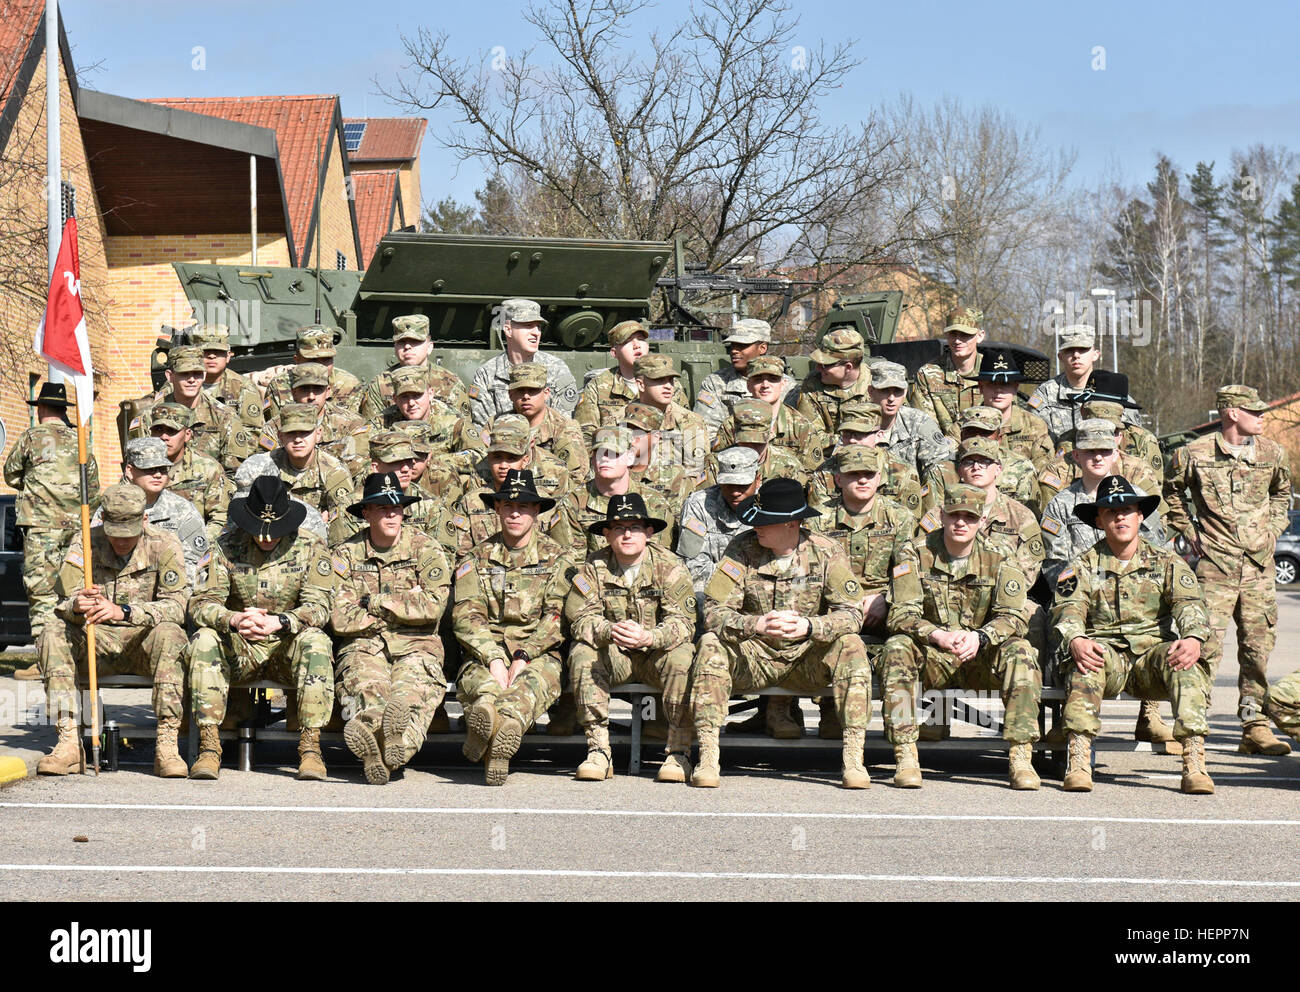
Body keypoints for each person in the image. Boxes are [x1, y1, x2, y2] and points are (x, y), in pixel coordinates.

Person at [690, 478, 873, 789]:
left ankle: (854, 757)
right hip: (754, 659)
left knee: (852, 645)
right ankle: (708, 755)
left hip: (806, 660)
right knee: (709, 644)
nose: (756, 527)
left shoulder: (827, 552)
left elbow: (852, 614)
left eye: (764, 522)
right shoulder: (741, 549)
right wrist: (755, 625)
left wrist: (812, 626)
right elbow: (713, 611)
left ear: (791, 523)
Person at [1052, 475, 1216, 794]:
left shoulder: (1167, 562)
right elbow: (1067, 608)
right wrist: (1076, 638)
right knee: (1086, 661)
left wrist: (1194, 638)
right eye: (1111, 512)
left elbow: (1190, 604)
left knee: (1186, 663)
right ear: (1099, 520)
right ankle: (1079, 761)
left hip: (1151, 660)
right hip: (1108, 657)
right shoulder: (1081, 565)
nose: (1120, 517)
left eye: (1127, 510)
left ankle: (1194, 762)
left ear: (1140, 516)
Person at [881, 483, 1041, 790]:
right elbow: (901, 613)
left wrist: (981, 637)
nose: (960, 522)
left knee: (1021, 652)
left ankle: (1021, 755)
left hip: (981, 656)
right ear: (941, 515)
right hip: (934, 656)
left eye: (969, 517)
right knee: (896, 648)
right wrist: (936, 635)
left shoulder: (1002, 556)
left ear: (982, 521)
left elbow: (1015, 616)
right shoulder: (914, 553)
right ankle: (905, 754)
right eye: (954, 515)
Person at [1163, 384, 1293, 756]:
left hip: (1257, 567)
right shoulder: (1194, 453)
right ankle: (1192, 726)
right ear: (1232, 412)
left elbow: (1282, 493)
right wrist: (1189, 532)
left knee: (1257, 649)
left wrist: (1273, 530)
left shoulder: (1272, 453)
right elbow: (1170, 493)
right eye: (1255, 411)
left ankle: (1254, 726)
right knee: (1203, 649)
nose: (1262, 417)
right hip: (1214, 567)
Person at [186, 477, 336, 781]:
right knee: (203, 639)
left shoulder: (309, 546)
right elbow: (201, 604)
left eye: (274, 532)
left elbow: (319, 607)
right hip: (241, 647)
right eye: (259, 531)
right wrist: (233, 619)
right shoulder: (225, 545)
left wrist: (281, 621)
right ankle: (209, 746)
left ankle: (311, 749)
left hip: (286, 647)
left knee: (317, 641)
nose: (266, 538)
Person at [35, 484, 190, 777]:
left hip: (143, 642)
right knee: (53, 631)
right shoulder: (85, 541)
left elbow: (178, 606)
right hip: (97, 640)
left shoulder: (165, 543)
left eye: (129, 533)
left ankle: (167, 745)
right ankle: (68, 741)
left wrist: (126, 612)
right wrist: (76, 605)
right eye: (114, 533)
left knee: (173, 635)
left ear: (144, 520)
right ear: (102, 519)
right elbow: (61, 602)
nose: (121, 542)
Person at [450, 470, 574, 785]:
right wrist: (493, 657)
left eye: (523, 506)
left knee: (530, 685)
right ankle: (498, 734)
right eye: (507, 505)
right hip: (484, 652)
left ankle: (493, 738)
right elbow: (467, 613)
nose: (515, 512)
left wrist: (523, 654)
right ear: (498, 509)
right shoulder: (476, 558)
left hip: (538, 653)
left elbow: (557, 615)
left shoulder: (557, 559)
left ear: (536, 511)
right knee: (482, 685)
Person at [564, 493, 696, 782]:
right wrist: (608, 631)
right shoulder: (593, 567)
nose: (627, 534)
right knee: (583, 652)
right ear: (607, 534)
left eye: (634, 527)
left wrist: (651, 637)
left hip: (655, 655)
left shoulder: (669, 566)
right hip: (616, 657)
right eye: (619, 528)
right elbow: (579, 619)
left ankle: (679, 753)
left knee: (682, 655)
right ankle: (598, 750)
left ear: (648, 533)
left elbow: (685, 622)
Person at [331, 473, 452, 784]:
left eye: (396, 508)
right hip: (364, 645)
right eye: (382, 508)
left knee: (409, 696)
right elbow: (339, 618)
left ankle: (390, 749)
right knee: (367, 691)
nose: (390, 514)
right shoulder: (346, 554)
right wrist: (403, 607)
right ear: (366, 513)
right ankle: (378, 743)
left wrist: (373, 602)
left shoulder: (426, 549)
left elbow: (433, 606)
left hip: (417, 646)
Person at [805, 444, 915, 739]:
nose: (862, 480)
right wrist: (847, 605)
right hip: (835, 607)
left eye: (869, 474)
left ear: (880, 477)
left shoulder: (900, 517)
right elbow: (811, 573)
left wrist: (886, 600)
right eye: (854, 475)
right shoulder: (817, 519)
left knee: (902, 648)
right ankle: (832, 709)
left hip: (884, 609)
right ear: (838, 479)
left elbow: (908, 569)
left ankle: (905, 736)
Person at [3, 382, 101, 669]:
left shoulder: (31, 437)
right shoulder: (82, 440)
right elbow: (92, 490)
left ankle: (46, 660)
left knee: (42, 592)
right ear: (62, 410)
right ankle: (73, 655)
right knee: (74, 591)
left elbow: (11, 474)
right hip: (76, 530)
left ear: (42, 408)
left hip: (41, 529)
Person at [234, 403, 356, 545]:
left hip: (310, 546)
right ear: (280, 436)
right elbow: (240, 518)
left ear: (318, 434)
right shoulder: (257, 467)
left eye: (305, 433)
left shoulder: (335, 473)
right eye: (291, 433)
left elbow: (342, 532)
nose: (298, 439)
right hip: (262, 542)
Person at [128, 346, 255, 475]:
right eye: (184, 374)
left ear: (204, 374)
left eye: (197, 373)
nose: (192, 380)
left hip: (210, 490)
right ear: (170, 376)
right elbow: (136, 472)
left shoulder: (225, 417)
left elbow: (233, 474)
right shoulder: (148, 418)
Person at [559, 426, 674, 560]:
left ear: (630, 457)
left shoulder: (654, 502)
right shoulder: (573, 503)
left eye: (614, 453)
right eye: (599, 453)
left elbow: (663, 558)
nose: (605, 459)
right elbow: (572, 563)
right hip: (593, 576)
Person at [110, 439, 210, 587]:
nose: (157, 475)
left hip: (169, 597)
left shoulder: (182, 510)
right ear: (130, 470)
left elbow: (197, 566)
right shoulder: (112, 508)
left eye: (163, 469)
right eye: (149, 469)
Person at [573, 320, 685, 446]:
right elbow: (586, 436)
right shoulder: (598, 386)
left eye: (641, 339)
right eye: (627, 341)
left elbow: (686, 423)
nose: (637, 345)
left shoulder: (670, 384)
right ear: (614, 352)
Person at [468, 299, 579, 424]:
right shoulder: (487, 374)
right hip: (502, 441)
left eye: (538, 327)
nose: (536, 332)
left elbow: (564, 423)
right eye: (528, 326)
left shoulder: (556, 368)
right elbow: (482, 427)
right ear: (508, 330)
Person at [712, 356, 830, 473]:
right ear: (748, 385)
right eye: (758, 379)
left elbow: (812, 475)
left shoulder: (801, 427)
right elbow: (717, 467)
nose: (765, 385)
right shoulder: (731, 426)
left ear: (783, 384)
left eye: (773, 379)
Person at [1028, 325, 1141, 445]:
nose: (1076, 355)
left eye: (1082, 349)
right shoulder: (1046, 394)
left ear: (1096, 354)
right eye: (1069, 350)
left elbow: (1133, 439)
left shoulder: (1114, 392)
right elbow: (1037, 442)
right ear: (1060, 357)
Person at [260, 362, 370, 482]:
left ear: (328, 391)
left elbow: (360, 467)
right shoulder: (275, 427)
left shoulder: (352, 423)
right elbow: (265, 466)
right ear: (293, 392)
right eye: (304, 389)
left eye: (318, 389)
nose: (311, 397)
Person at [807, 399, 922, 513]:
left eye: (859, 434)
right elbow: (819, 520)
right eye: (847, 434)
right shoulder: (825, 473)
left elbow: (909, 522)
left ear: (879, 435)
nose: (852, 440)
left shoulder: (904, 473)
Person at [692, 317, 795, 442]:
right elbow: (706, 434)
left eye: (742, 346)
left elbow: (796, 431)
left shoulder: (787, 386)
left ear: (762, 348)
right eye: (733, 346)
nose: (734, 351)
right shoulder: (716, 383)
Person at [920, 406, 1037, 514]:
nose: (977, 439)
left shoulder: (1021, 467)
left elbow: (1024, 517)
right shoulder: (941, 470)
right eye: (971, 432)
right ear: (961, 436)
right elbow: (933, 515)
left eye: (985, 433)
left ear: (999, 439)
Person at [677, 447, 759, 597]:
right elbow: (694, 566)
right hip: (714, 592)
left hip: (761, 592)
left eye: (742, 485)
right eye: (728, 484)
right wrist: (738, 587)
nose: (735, 492)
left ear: (757, 479)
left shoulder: (772, 506)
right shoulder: (699, 505)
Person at [358, 314, 471, 421]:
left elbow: (461, 428)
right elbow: (372, 429)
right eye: (401, 342)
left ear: (429, 347)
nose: (407, 346)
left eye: (415, 341)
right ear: (395, 347)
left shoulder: (450, 384)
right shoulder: (380, 385)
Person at [150, 402, 230, 545]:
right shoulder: (139, 468)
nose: (163, 437)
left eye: (172, 431)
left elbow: (221, 518)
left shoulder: (208, 469)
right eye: (158, 429)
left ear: (187, 435)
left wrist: (197, 544)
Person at [965, 349, 1054, 473]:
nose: (999, 390)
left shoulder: (1034, 425)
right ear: (981, 387)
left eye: (1005, 384)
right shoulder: (964, 426)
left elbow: (1043, 469)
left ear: (1015, 387)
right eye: (992, 383)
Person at [257, 324, 364, 420]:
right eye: (312, 360)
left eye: (327, 359)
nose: (321, 367)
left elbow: (355, 428)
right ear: (297, 360)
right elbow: (274, 428)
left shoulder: (349, 385)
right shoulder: (279, 386)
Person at [907, 306, 985, 434]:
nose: (957, 340)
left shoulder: (992, 373)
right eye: (952, 334)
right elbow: (924, 426)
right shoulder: (928, 375)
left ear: (980, 336)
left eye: (965, 334)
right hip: (941, 449)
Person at [869, 360, 953, 478]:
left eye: (897, 391)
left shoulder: (918, 422)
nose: (891, 398)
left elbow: (942, 466)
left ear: (905, 392)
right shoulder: (856, 421)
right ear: (871, 391)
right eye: (884, 391)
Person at [507, 363, 590, 483]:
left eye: (533, 390)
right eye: (520, 390)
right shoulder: (497, 424)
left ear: (546, 393)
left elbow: (577, 477)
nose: (526, 396)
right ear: (510, 395)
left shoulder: (565, 428)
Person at [633, 354, 709, 479]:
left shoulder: (691, 422)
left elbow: (696, 474)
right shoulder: (619, 420)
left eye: (670, 380)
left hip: (679, 494)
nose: (668, 386)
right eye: (659, 380)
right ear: (641, 385)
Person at [703, 398, 806, 488]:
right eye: (746, 442)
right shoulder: (716, 465)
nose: (752, 449)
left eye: (758, 442)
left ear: (770, 435)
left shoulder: (790, 466)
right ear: (734, 434)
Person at [792, 327, 872, 439]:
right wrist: (851, 441)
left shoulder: (877, 384)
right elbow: (809, 435)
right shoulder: (813, 384)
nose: (818, 368)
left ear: (848, 367)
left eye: (825, 365)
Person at [190, 323, 264, 429]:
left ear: (228, 356)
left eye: (218, 351)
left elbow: (253, 431)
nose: (212, 356)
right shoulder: (177, 384)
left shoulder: (243, 386)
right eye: (205, 351)